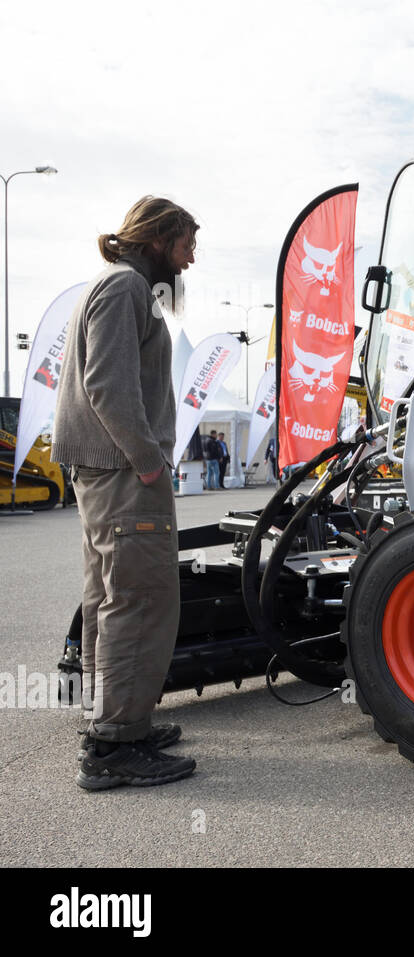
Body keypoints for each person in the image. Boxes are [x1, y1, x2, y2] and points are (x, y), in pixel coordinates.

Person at [52, 196, 199, 789]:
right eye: (187, 243)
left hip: (102, 469)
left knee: (110, 598)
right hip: (121, 471)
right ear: (160, 239)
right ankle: (113, 746)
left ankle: (119, 723)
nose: (190, 259)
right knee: (139, 600)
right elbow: (108, 386)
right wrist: (147, 463)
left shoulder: (112, 285)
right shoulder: (126, 289)